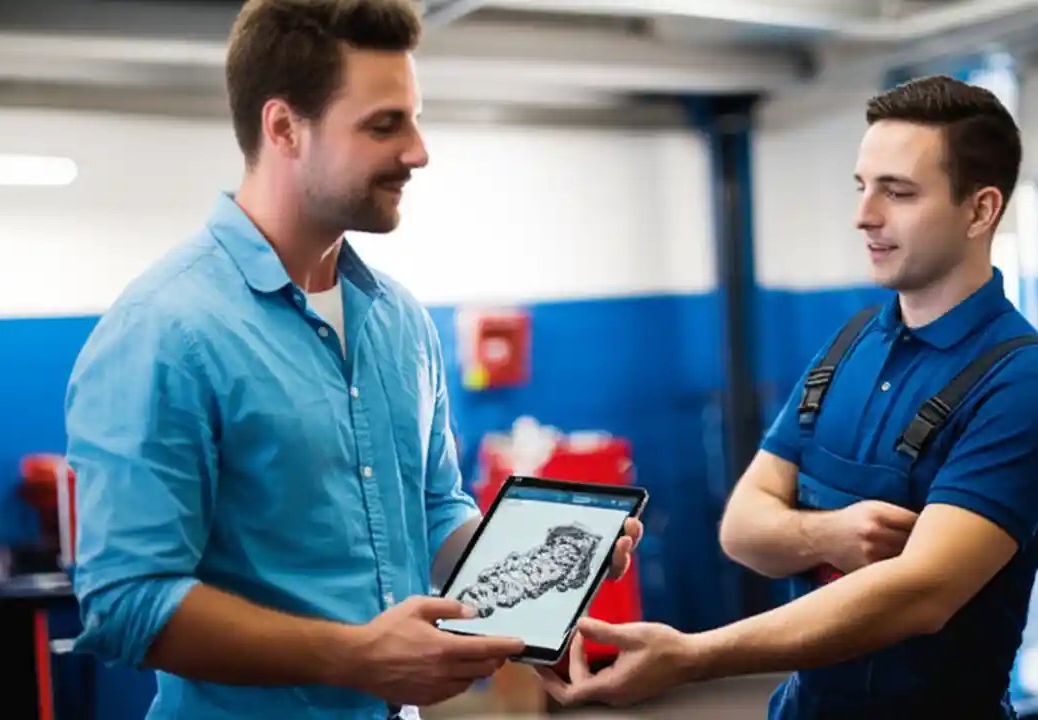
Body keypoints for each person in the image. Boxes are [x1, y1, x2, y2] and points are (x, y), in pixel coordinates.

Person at [63, 2, 642, 719]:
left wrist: (547, 570)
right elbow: (127, 601)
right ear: (284, 129)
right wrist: (355, 655)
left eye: (415, 117)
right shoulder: (164, 330)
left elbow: (433, 513)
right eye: (384, 124)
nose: (419, 150)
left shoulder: (400, 320)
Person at [539, 75, 1038, 719]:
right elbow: (742, 529)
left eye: (898, 192)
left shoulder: (1023, 385)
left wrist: (695, 655)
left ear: (981, 210)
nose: (865, 215)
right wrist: (830, 533)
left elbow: (920, 594)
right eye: (862, 186)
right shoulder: (850, 346)